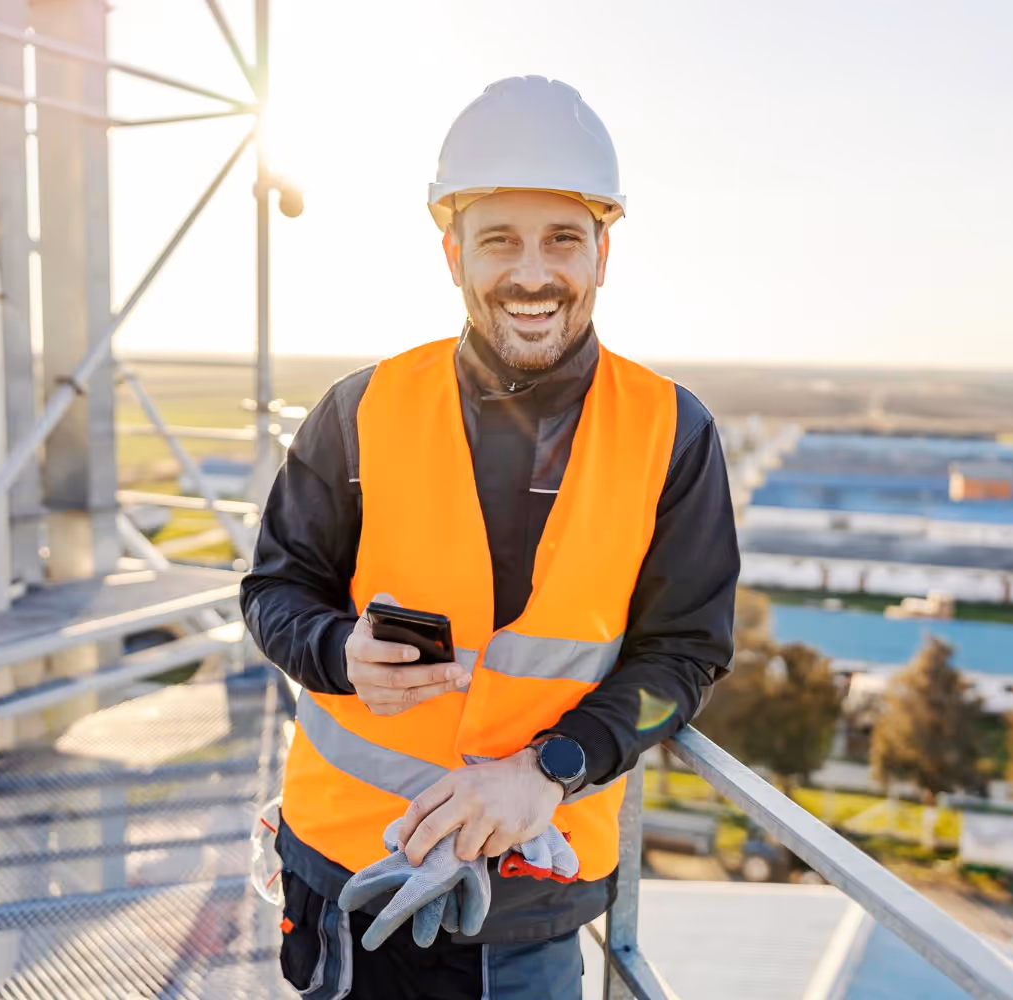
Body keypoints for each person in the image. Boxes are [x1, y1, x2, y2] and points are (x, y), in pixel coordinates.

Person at [240, 75, 739, 1000]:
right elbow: (272, 592)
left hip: (525, 910)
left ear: (601, 254)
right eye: (499, 240)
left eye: (562, 240)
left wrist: (550, 772)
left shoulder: (674, 434)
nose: (532, 274)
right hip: (344, 883)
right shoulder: (358, 412)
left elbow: (686, 659)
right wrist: (336, 652)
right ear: (453, 256)